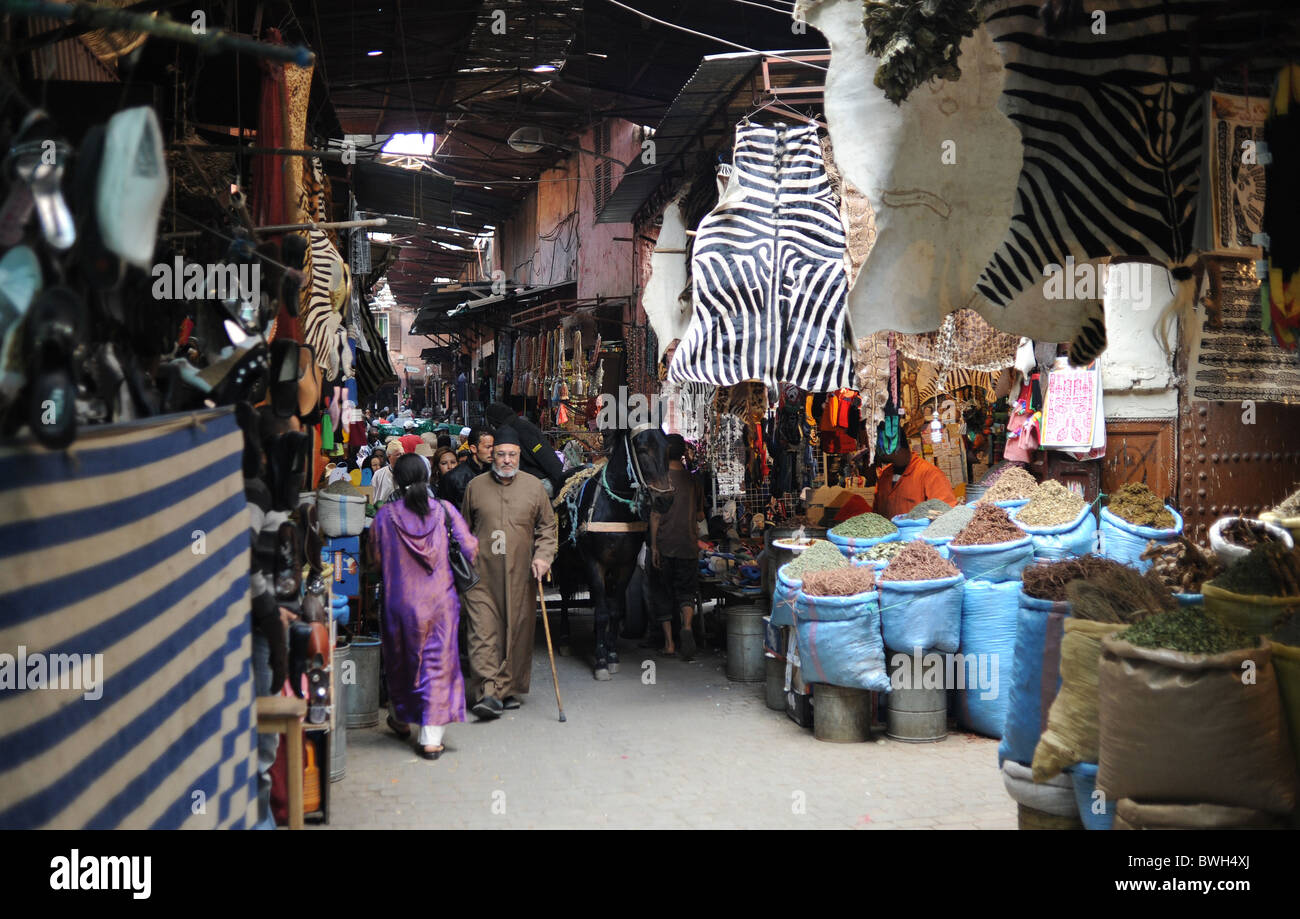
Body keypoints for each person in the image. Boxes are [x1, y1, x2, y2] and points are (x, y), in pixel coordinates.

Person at [368, 454, 477, 759]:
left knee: (403, 661)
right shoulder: (445, 511)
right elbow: (470, 549)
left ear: (395, 480)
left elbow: (374, 560)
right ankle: (430, 737)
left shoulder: (385, 516)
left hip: (399, 604)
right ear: (429, 478)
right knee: (436, 664)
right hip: (440, 604)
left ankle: (401, 718)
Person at [460, 426, 558, 720]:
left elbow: (547, 528)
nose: (505, 460)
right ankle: (489, 693)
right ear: (490, 454)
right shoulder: (475, 487)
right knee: (482, 633)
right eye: (500, 454)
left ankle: (508, 688)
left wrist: (543, 557)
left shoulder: (534, 488)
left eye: (511, 455)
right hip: (481, 577)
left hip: (520, 576)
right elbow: (464, 530)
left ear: (519, 456)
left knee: (516, 632)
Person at [648, 434, 703, 659]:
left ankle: (669, 644)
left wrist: (653, 546)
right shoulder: (694, 482)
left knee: (662, 593)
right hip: (688, 544)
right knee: (686, 592)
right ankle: (688, 628)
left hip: (665, 544)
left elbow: (654, 517)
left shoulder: (659, 481)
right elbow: (700, 516)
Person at [870, 421, 956, 519]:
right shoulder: (884, 476)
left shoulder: (930, 475)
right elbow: (876, 516)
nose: (875, 450)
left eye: (878, 445)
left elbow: (947, 515)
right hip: (890, 534)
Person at [440, 428, 493, 508]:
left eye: (493, 447)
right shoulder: (453, 478)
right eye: (488, 447)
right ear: (473, 448)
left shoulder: (497, 474)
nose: (492, 451)